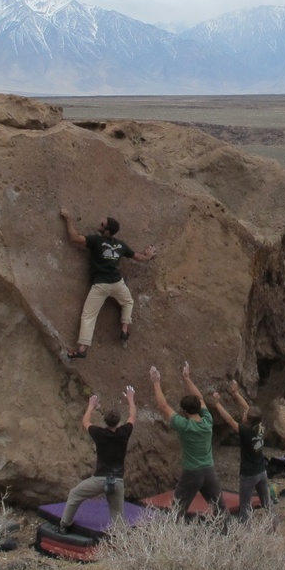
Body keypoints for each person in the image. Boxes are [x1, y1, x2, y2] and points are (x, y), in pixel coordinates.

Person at [59, 209, 157, 360]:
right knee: (128, 302)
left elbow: (74, 238)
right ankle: (124, 329)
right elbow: (137, 256)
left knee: (89, 315)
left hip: (101, 285)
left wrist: (68, 220)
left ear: (106, 231)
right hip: (117, 283)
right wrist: (148, 256)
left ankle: (82, 348)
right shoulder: (120, 245)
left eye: (102, 224)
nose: (99, 224)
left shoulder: (96, 241)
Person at [57, 385, 137, 534]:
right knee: (117, 514)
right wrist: (131, 399)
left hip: (99, 479)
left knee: (75, 494)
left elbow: (85, 421)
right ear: (119, 422)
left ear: (105, 421)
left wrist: (90, 406)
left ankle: (64, 525)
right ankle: (121, 541)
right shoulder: (124, 433)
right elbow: (132, 417)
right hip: (117, 480)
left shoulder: (99, 433)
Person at [149, 362, 223, 519]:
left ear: (184, 411)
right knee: (220, 509)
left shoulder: (183, 425)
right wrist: (187, 378)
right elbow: (200, 398)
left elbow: (163, 406)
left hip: (192, 472)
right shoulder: (208, 420)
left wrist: (156, 382)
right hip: (209, 469)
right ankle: (231, 537)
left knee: (177, 510)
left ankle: (174, 540)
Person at [208, 382, 273, 522]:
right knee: (266, 501)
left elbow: (229, 419)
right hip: (261, 470)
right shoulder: (260, 426)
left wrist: (217, 404)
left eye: (245, 415)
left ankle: (245, 532)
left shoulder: (246, 431)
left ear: (248, 420)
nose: (243, 414)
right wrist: (236, 393)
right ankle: (275, 524)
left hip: (248, 473)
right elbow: (248, 408)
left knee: (244, 505)